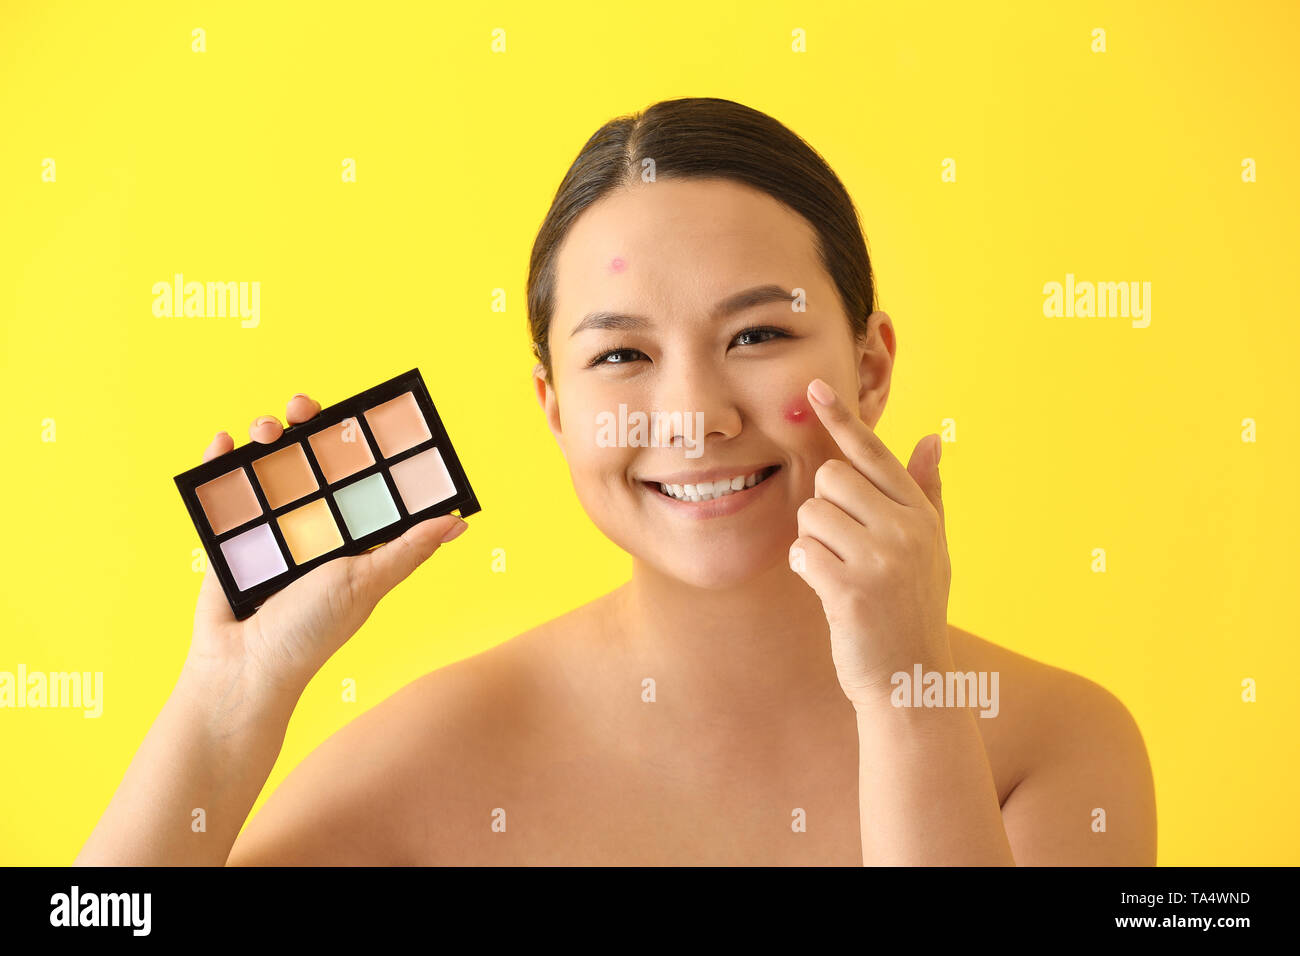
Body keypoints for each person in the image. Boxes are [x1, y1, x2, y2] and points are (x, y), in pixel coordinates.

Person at [77, 97, 1156, 865]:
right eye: (622, 355)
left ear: (868, 365)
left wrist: (909, 698)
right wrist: (220, 715)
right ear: (553, 408)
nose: (695, 411)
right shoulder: (432, 761)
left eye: (757, 332)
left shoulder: (1050, 740)